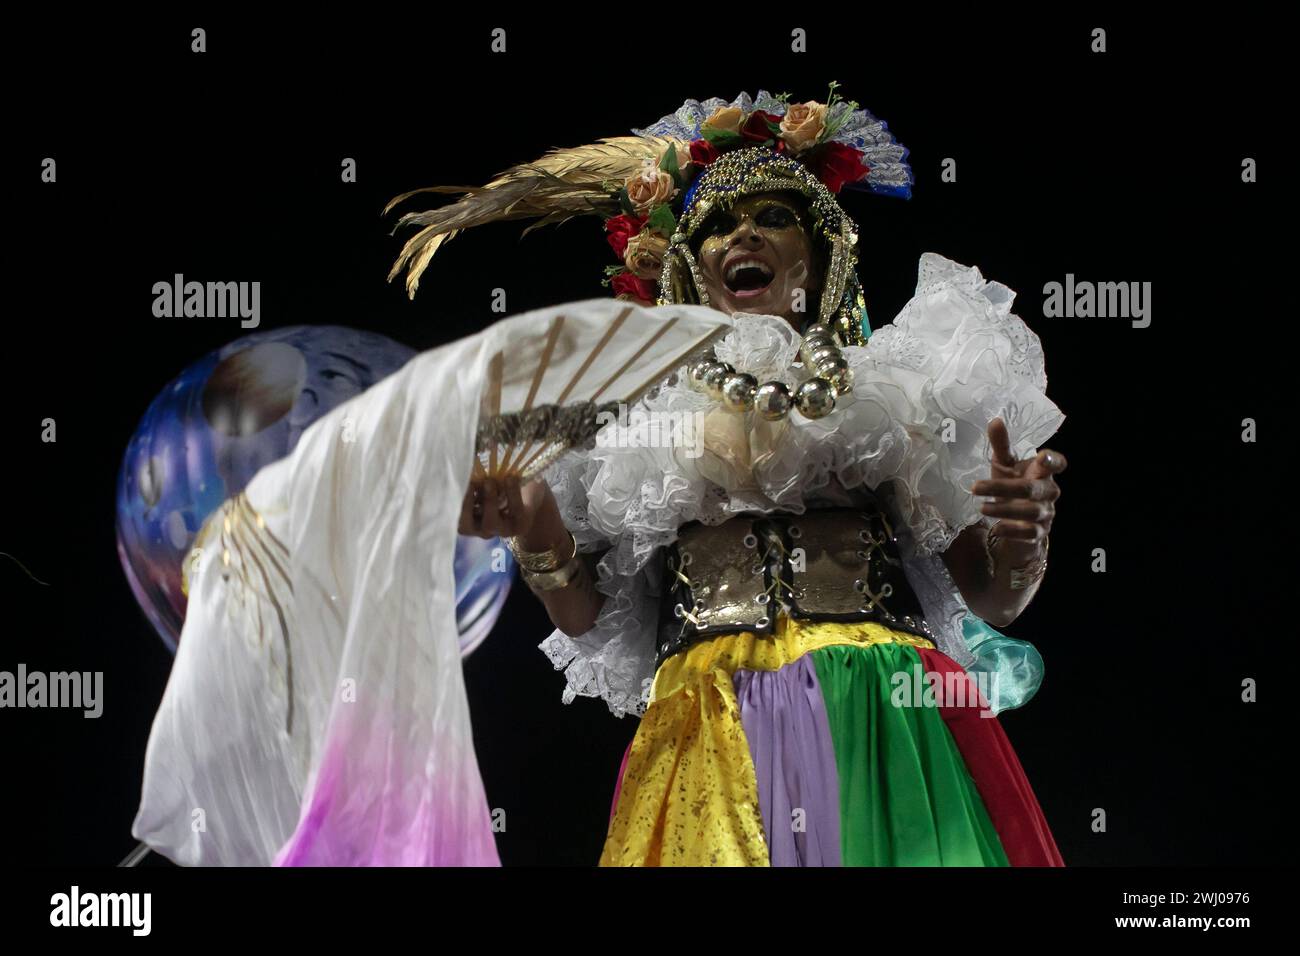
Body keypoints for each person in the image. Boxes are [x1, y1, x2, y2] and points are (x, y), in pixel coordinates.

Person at [441, 90, 1068, 866]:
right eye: (717, 225)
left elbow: (992, 599)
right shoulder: (632, 420)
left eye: (773, 217)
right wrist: (535, 517)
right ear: (687, 267)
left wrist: (1021, 540)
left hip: (880, 712)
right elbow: (584, 615)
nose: (745, 233)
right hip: (707, 719)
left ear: (818, 253)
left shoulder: (899, 392)